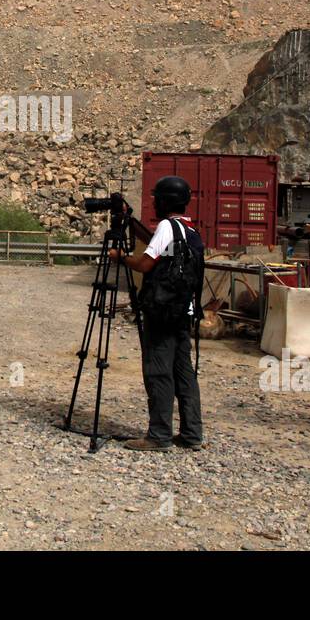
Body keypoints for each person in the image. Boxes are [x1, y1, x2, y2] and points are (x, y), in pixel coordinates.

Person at [108, 175, 204, 451]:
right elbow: (166, 254)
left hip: (162, 313)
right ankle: (191, 434)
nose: (153, 203)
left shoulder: (166, 226)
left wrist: (120, 257)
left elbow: (145, 264)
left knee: (158, 371)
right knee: (184, 373)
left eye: (155, 199)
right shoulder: (191, 232)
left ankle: (159, 435)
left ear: (165, 201)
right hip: (183, 312)